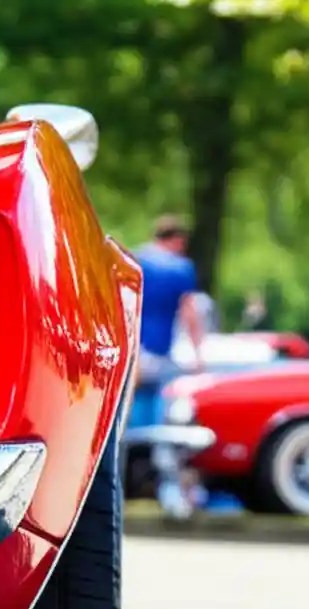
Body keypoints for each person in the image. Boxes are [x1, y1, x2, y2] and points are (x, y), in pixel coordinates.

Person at [130, 215, 205, 518]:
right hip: (161, 354)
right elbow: (189, 311)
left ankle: (128, 483)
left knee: (131, 421)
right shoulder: (180, 267)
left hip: (135, 352)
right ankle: (161, 486)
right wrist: (199, 353)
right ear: (178, 240)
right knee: (161, 424)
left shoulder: (136, 260)